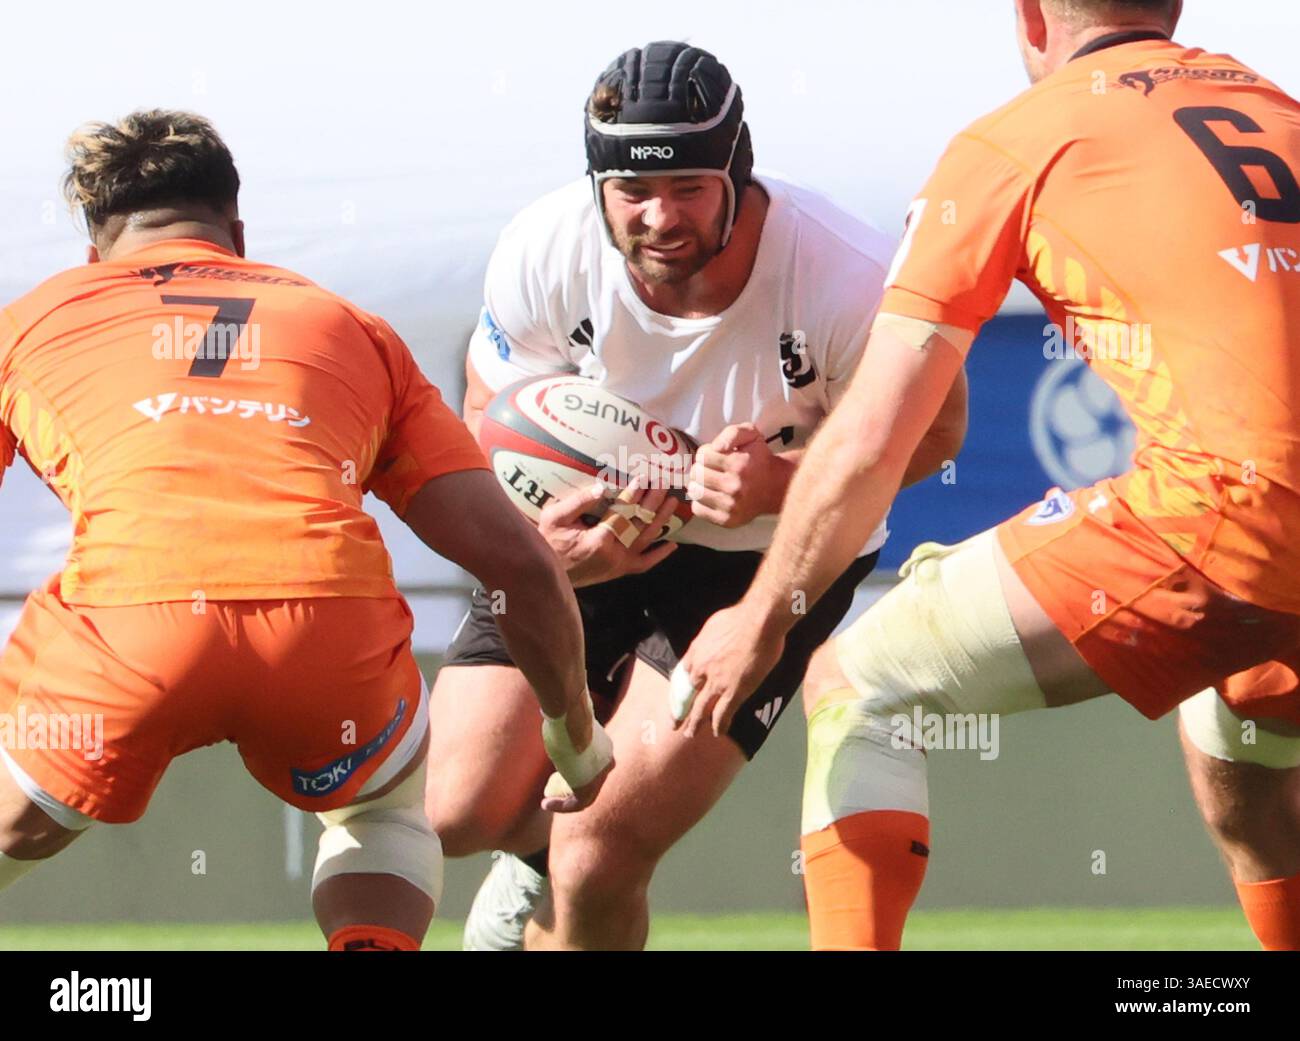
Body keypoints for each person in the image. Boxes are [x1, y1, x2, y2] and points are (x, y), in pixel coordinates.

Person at [677, 0, 1300, 951]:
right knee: (1246, 761)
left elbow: (877, 434)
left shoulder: (1018, 139)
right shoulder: (1277, 105)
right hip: (1268, 544)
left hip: (1237, 517)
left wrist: (761, 619)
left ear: (1030, 16)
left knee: (856, 683)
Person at [0, 110, 610, 951]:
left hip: (130, 623)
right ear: (237, 233)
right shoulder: (351, 327)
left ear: (95, 254)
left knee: (15, 826)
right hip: (325, 622)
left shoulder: (30, 320)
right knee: (383, 810)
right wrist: (574, 734)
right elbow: (513, 559)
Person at [426, 39, 968, 951]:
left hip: (767, 558)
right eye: (632, 192)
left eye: (687, 187)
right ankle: (528, 852)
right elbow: (490, 410)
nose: (659, 216)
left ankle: (559, 857)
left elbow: (937, 429)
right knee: (454, 811)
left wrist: (784, 484)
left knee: (596, 852)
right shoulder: (545, 245)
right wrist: (548, 539)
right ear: (596, 183)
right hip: (592, 538)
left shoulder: (843, 273)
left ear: (736, 169)